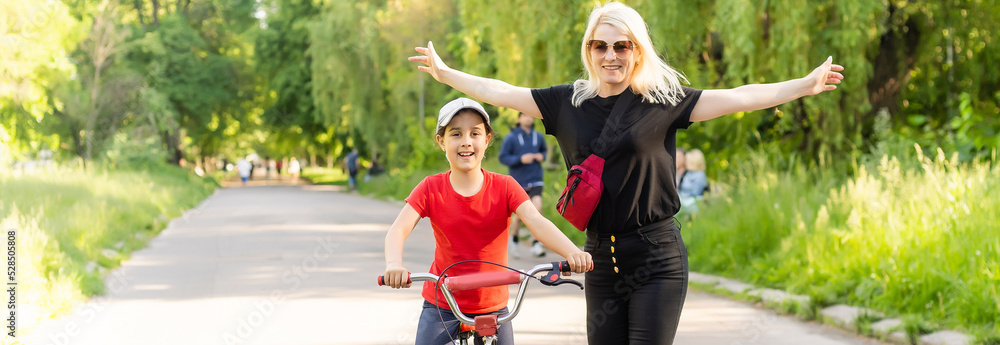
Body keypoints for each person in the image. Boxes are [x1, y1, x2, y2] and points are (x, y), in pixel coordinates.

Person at [408, 2, 844, 343]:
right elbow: (500, 91)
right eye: (601, 46)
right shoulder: (566, 103)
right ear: (589, 51)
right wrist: (447, 75)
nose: (611, 55)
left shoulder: (664, 100)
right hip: (599, 259)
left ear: (637, 50)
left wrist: (803, 85)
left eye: (622, 46)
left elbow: (740, 96)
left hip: (657, 258)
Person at [382, 98, 593, 345]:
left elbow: (536, 221)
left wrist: (572, 252)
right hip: (443, 303)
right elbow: (398, 229)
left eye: (475, 133)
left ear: (487, 140)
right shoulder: (431, 188)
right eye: (456, 134)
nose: (466, 142)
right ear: (441, 142)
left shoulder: (505, 186)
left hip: (493, 307)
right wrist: (394, 264)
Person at [498, 112, 548, 258]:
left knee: (537, 208)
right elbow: (503, 157)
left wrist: (541, 156)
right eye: (525, 116)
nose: (529, 118)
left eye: (531, 116)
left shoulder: (538, 136)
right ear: (519, 118)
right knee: (520, 215)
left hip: (536, 178)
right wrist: (520, 159)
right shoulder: (511, 138)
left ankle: (536, 244)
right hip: (519, 181)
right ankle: (514, 239)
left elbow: (544, 151)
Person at [678, 149, 707, 213]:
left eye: (688, 161)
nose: (685, 163)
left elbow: (696, 194)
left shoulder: (700, 175)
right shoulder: (688, 173)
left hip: (692, 204)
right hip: (682, 200)